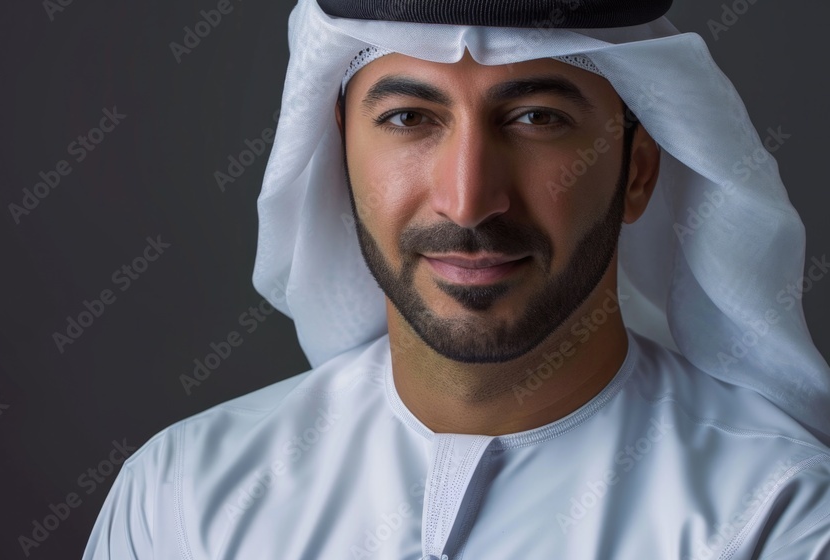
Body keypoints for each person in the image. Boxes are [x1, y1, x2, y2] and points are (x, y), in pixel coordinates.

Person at [83, 0, 830, 558]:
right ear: (340, 163)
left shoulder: (778, 516)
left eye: (537, 117)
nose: (470, 198)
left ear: (636, 173)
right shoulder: (184, 499)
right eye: (410, 118)